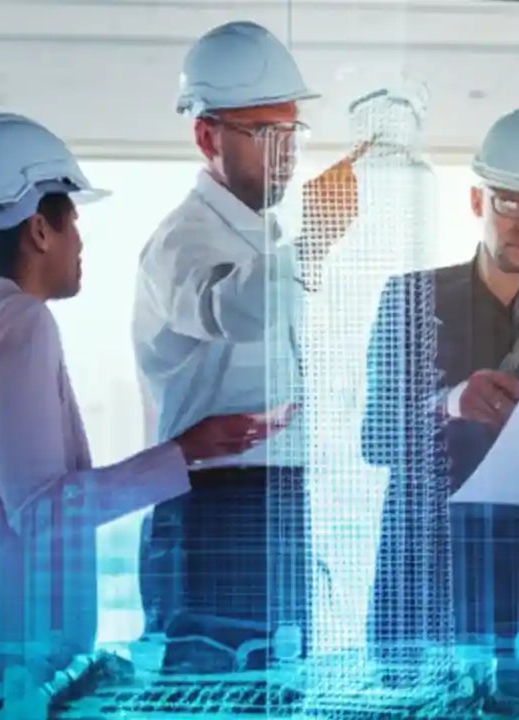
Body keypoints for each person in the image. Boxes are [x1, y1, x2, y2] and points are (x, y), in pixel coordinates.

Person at [0, 112, 261, 718]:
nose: (80, 240)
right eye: (73, 218)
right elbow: (43, 511)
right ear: (39, 229)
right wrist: (186, 452)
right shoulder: (18, 321)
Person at [132, 21, 365, 671]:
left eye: (292, 133)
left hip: (276, 506)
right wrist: (314, 240)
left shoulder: (265, 243)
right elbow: (229, 310)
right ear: (207, 136)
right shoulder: (183, 240)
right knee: (208, 702)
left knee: (281, 695)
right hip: (211, 512)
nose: (286, 153)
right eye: (265, 133)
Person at [363, 107, 519, 683]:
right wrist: (447, 403)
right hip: (431, 562)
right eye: (512, 204)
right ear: (478, 201)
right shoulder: (410, 299)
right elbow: (374, 440)